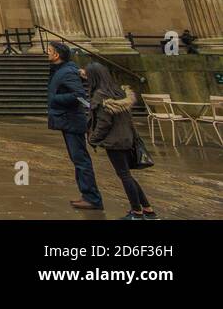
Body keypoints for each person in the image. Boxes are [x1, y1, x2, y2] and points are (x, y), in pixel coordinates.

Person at [86, 61, 157, 220]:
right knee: (127, 175)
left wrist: (93, 138)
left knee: (124, 176)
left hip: (114, 141)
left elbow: (104, 123)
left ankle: (137, 212)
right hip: (127, 138)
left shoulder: (100, 95)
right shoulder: (118, 92)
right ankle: (148, 210)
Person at [46, 42, 103, 211]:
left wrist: (55, 100)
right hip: (67, 120)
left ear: (57, 55)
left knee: (80, 160)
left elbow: (79, 96)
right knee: (77, 159)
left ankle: (92, 197)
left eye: (49, 51)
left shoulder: (67, 71)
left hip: (72, 120)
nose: (47, 53)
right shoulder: (61, 70)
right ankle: (87, 195)